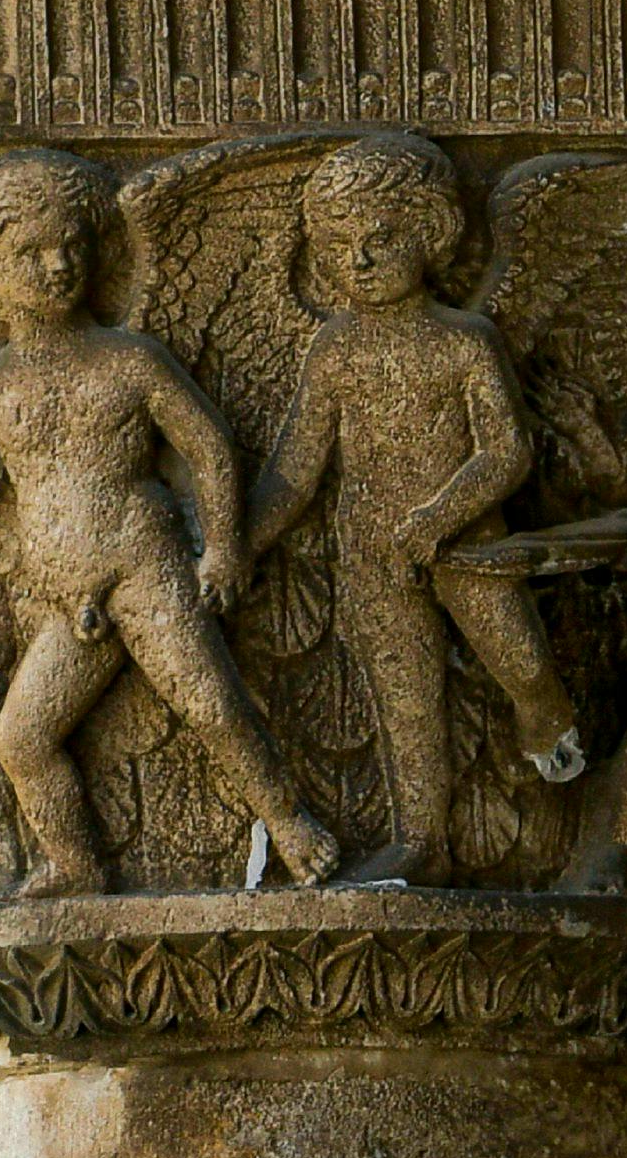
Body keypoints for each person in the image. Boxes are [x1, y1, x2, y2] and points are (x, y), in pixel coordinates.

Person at [0, 150, 337, 896]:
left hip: (145, 566)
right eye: (29, 254)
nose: (57, 266)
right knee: (22, 738)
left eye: (71, 245)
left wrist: (226, 544)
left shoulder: (129, 360)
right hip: (67, 603)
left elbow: (208, 446)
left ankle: (292, 823)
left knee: (210, 701)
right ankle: (75, 862)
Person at [249, 137, 584, 879]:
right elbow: (296, 471)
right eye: (340, 246)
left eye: (381, 238)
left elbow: (508, 451)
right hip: (371, 551)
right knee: (407, 704)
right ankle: (421, 840)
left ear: (430, 234)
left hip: (465, 542)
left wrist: (436, 519)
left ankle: (547, 723)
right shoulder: (335, 349)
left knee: (523, 665)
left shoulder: (464, 340)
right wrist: (238, 543)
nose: (359, 261)